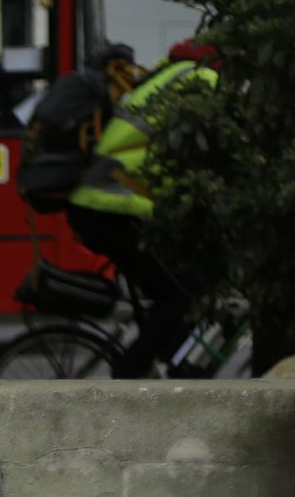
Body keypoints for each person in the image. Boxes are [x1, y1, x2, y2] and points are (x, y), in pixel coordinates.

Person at [67, 39, 219, 378]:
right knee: (181, 296)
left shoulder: (168, 74)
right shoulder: (203, 81)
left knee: (185, 288)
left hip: (104, 205)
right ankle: (133, 377)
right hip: (113, 207)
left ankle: (165, 365)